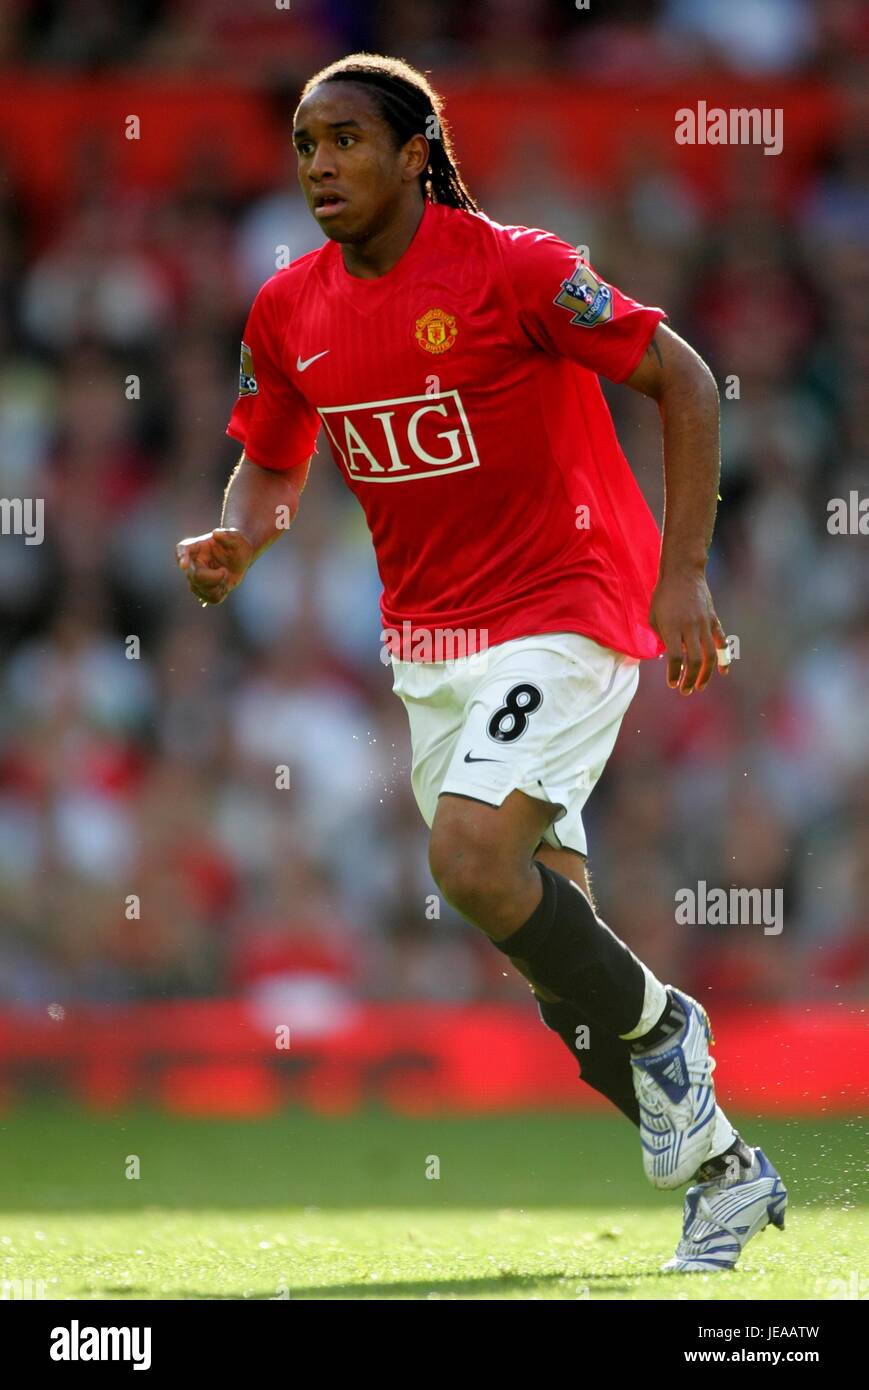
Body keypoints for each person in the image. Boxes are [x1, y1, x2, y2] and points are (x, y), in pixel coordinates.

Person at [176, 53, 787, 1272]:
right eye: (303, 145)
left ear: (413, 152)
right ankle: (725, 1170)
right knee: (554, 964)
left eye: (345, 139)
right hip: (432, 645)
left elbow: (686, 379)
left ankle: (669, 1027)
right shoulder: (287, 308)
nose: (319, 166)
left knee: (464, 855)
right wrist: (241, 531)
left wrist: (681, 574)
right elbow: (274, 454)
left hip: (567, 603)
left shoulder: (515, 267)